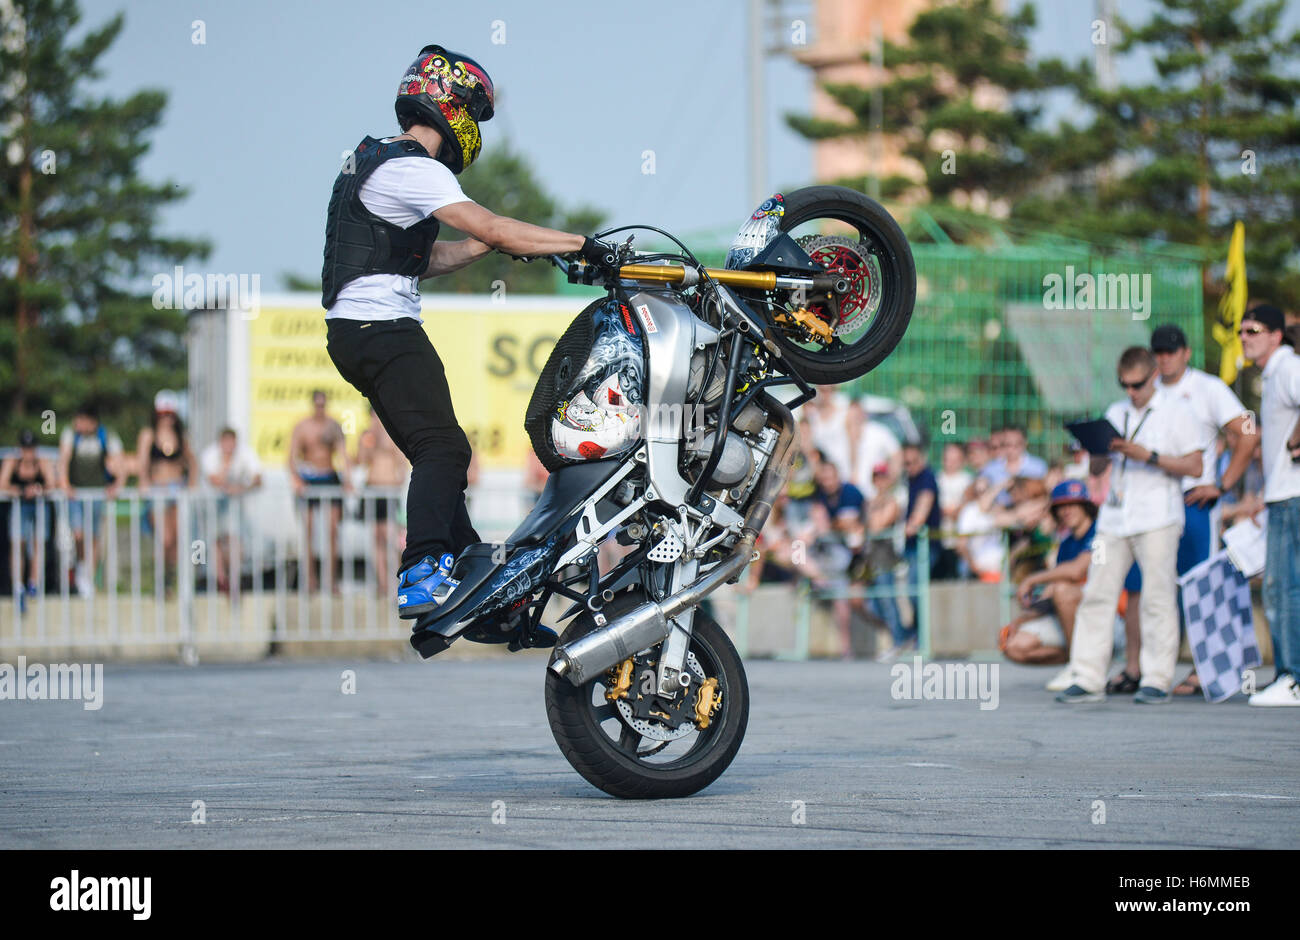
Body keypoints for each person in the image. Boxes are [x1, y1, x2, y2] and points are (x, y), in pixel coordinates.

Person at [321, 44, 611, 639]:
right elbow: (493, 225)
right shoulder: (413, 166)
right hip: (384, 329)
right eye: (474, 115)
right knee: (446, 451)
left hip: (355, 332)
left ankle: (477, 578)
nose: (474, 129)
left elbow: (426, 258)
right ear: (451, 106)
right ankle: (422, 569)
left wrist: (490, 245)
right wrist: (582, 244)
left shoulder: (371, 159)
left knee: (437, 449)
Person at [1056, 347, 1203, 704]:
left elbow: (1196, 466)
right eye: (1124, 385)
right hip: (1114, 517)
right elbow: (1096, 471)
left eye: (1137, 384)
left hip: (1158, 518)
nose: (1131, 392)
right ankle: (1087, 676)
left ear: (1153, 375)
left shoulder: (1178, 410)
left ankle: (1156, 678)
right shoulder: (1115, 411)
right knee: (1097, 592)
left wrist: (1147, 456)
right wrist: (1097, 452)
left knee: (1157, 596)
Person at [1126, 323, 1259, 696]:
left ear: (1185, 352)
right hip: (1148, 503)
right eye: (1159, 351)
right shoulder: (1143, 391)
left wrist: (1224, 483)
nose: (1165, 358)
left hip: (1192, 499)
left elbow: (1247, 430)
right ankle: (1137, 669)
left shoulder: (1207, 388)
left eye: (1171, 350)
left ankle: (1207, 670)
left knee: (1200, 582)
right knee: (1143, 586)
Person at [1238, 306, 1300, 706]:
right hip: (1280, 494)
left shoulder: (1288, 366)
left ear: (1276, 335)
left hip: (1292, 495)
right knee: (1282, 588)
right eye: (1241, 331)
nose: (1245, 337)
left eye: (1254, 330)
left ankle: (1291, 678)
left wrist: (1297, 440)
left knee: (1283, 588)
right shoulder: (1274, 373)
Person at [1002, 480, 1096, 667]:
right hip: (1074, 617)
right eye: (1061, 507)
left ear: (1085, 506)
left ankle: (1080, 667)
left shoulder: (1101, 532)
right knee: (1012, 646)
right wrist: (1023, 619)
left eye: (1072, 504)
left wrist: (1032, 579)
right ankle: (1077, 660)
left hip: (1107, 616)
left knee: (1063, 590)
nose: (1066, 510)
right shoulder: (1066, 542)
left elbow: (1077, 571)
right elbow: (1053, 588)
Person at [288, 390, 354, 593]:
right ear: (312, 405)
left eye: (323, 405)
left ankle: (331, 580)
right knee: (308, 531)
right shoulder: (302, 427)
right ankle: (310, 580)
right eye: (317, 405)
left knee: (332, 531)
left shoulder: (333, 427)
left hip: (328, 476)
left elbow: (343, 454)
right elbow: (291, 458)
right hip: (309, 478)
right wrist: (297, 480)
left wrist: (348, 478)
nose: (320, 409)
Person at [58, 402, 124, 596]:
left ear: (92, 422)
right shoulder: (70, 435)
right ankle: (80, 567)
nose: (77, 423)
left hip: (97, 494)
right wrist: (65, 484)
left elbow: (120, 463)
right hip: (76, 494)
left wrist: (117, 485)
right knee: (78, 534)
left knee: (94, 538)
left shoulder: (106, 435)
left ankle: (88, 579)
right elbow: (63, 460)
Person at [136, 390, 200, 580]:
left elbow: (193, 463)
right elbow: (142, 463)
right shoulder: (148, 435)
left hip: (177, 490)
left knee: (179, 538)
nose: (167, 419)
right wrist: (144, 483)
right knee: (165, 538)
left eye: (170, 414)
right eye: (163, 415)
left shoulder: (181, 436)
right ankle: (161, 577)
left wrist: (191, 484)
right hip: (157, 491)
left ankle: (171, 579)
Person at [200, 427, 263, 595]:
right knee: (213, 543)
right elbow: (215, 480)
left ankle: (232, 582)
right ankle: (221, 580)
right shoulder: (210, 455)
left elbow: (258, 478)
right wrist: (227, 465)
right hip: (212, 508)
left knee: (236, 541)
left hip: (235, 509)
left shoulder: (244, 453)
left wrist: (242, 487)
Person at [356, 407, 410, 595]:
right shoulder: (367, 437)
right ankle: (383, 583)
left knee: (391, 537)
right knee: (376, 538)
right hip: (372, 490)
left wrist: (398, 480)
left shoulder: (391, 435)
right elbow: (362, 460)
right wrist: (370, 442)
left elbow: (400, 462)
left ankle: (398, 579)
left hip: (388, 490)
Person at [0, 430, 56, 605]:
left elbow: (52, 484)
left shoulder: (43, 461)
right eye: (25, 448)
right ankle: (18, 585)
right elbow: (3, 484)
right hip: (20, 507)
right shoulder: (12, 461)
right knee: (18, 543)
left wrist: (38, 489)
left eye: (31, 448)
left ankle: (34, 583)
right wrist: (18, 491)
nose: (28, 452)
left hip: (39, 507)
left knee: (39, 544)